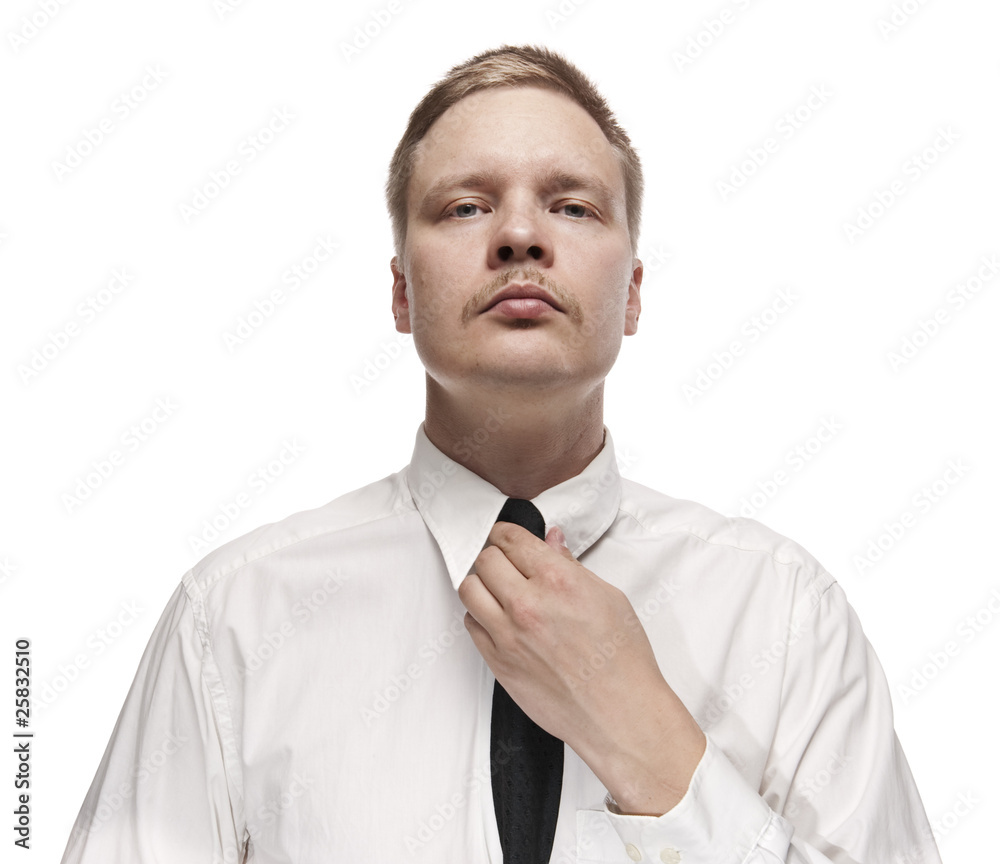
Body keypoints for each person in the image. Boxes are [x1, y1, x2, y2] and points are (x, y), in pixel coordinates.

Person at [61, 45, 942, 863]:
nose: (520, 237)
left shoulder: (789, 619)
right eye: (466, 206)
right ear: (402, 292)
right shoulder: (235, 622)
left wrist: (650, 745)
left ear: (632, 293)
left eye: (572, 206)